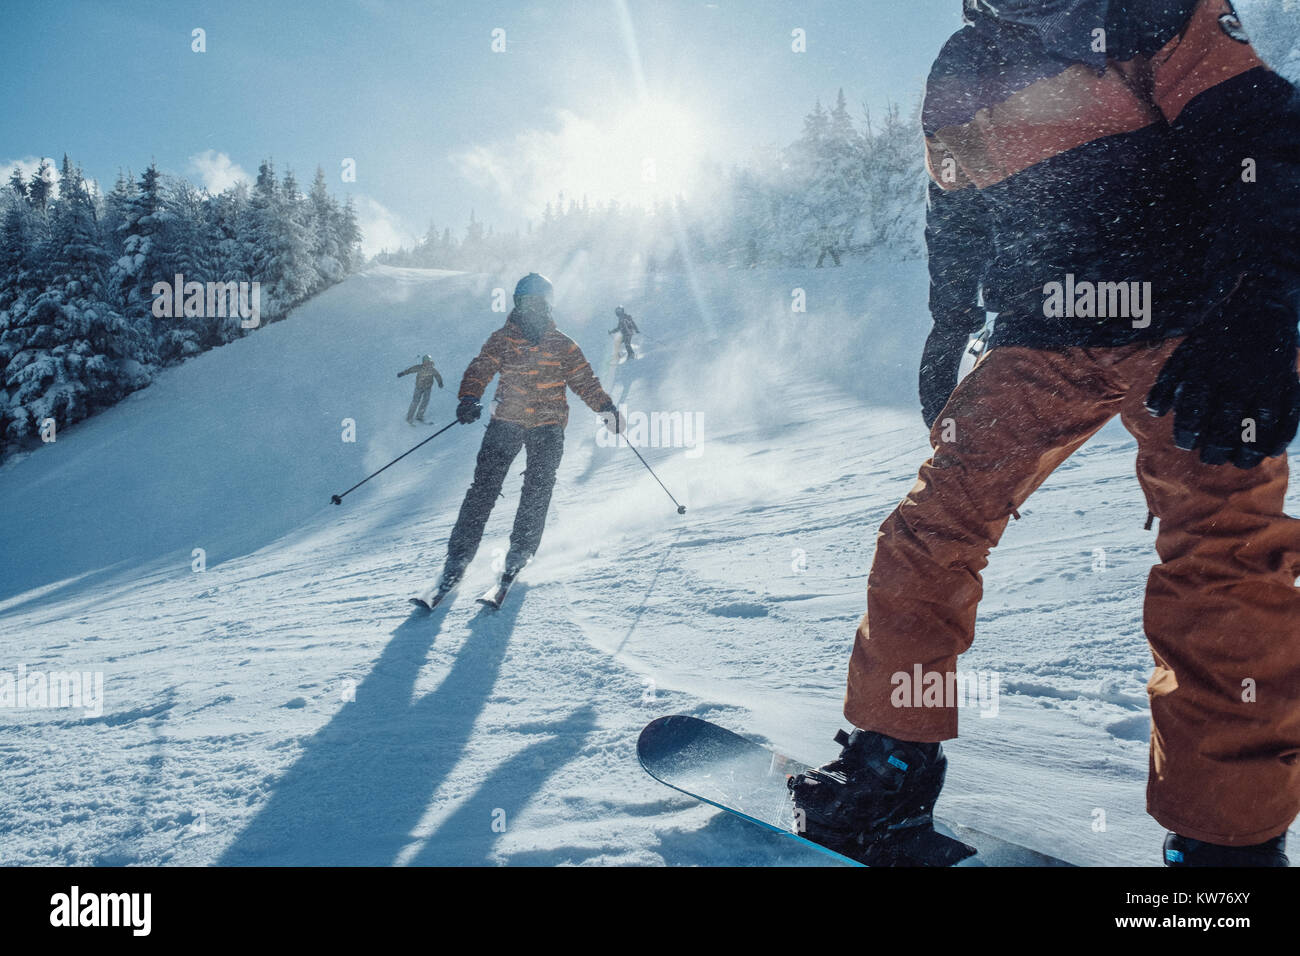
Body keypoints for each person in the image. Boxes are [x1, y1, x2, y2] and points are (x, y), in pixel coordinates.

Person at [789, 0, 1300, 867]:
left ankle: (1227, 848)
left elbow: (1261, 144)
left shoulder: (1152, 9)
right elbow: (953, 209)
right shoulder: (961, 63)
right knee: (931, 529)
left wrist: (1259, 304)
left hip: (1187, 325)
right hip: (1041, 334)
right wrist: (949, 321)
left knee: (1226, 554)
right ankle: (889, 766)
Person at [429, 273, 620, 599]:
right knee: (483, 488)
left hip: (548, 425)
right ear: (517, 304)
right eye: (525, 301)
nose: (531, 307)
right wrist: (469, 398)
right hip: (507, 421)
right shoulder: (502, 338)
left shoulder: (562, 343)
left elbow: (583, 379)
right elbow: (481, 367)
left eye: (537, 302)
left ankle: (519, 552)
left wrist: (605, 407)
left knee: (538, 486)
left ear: (547, 305)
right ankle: (458, 557)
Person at [397, 354, 443, 424]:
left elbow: (437, 376)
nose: (428, 364)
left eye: (429, 362)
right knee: (415, 401)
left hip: (428, 388)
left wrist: (440, 383)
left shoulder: (432, 370)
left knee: (425, 401)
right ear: (423, 362)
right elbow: (410, 370)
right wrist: (403, 373)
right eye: (426, 362)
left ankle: (419, 416)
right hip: (419, 387)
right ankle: (409, 417)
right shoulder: (419, 368)